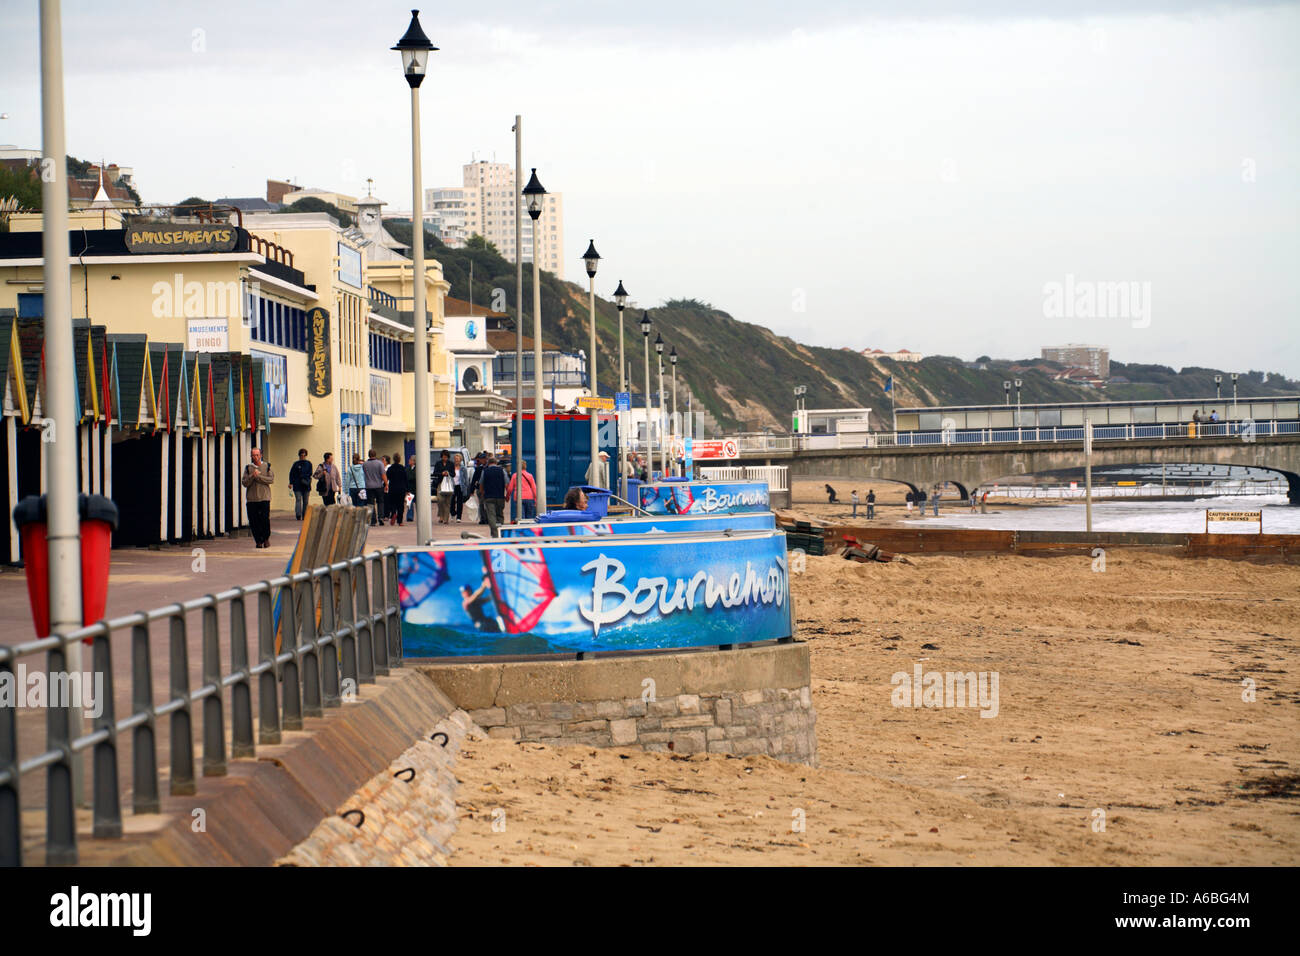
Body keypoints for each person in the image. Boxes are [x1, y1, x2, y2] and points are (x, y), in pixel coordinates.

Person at [241, 447, 274, 548]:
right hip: (252, 499)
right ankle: (258, 540)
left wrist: (258, 477)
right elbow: (245, 482)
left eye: (257, 455)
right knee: (254, 521)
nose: (255, 457)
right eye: (253, 455)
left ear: (261, 455)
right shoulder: (248, 468)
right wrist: (252, 476)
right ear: (251, 456)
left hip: (264, 498)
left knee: (264, 519)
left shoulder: (267, 466)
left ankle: (266, 538)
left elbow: (270, 480)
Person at [478, 455, 508, 536]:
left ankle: (494, 534)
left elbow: (481, 483)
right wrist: (507, 495)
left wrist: (482, 493)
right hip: (500, 497)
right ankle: (500, 531)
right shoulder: (502, 471)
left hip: (489, 497)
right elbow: (506, 484)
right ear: (496, 463)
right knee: (500, 515)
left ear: (488, 463)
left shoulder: (485, 471)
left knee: (491, 516)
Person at [363, 449, 387, 526]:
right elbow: (383, 475)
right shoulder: (380, 463)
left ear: (368, 455)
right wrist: (386, 484)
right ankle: (381, 517)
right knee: (380, 502)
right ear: (375, 455)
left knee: (370, 503)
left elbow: (364, 474)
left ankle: (373, 520)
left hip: (369, 486)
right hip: (378, 486)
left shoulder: (365, 464)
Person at [288, 448, 313, 520]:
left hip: (306, 484)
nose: (303, 457)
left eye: (304, 455)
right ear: (299, 456)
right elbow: (291, 474)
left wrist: (304, 477)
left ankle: (304, 515)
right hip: (297, 484)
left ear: (306, 455)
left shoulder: (309, 464)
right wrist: (290, 483)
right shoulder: (296, 464)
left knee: (306, 501)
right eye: (301, 455)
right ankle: (298, 515)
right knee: (298, 499)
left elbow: (310, 473)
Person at [386, 451, 409, 526]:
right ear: (399, 460)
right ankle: (400, 521)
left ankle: (393, 513)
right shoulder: (402, 468)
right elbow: (406, 479)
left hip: (392, 488)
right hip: (401, 489)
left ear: (393, 459)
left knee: (392, 503)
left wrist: (385, 485)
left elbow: (387, 478)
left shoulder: (390, 468)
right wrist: (407, 490)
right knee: (400, 505)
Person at [433, 450, 456, 524]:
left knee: (447, 502)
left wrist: (448, 473)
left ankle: (446, 519)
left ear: (448, 457)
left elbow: (453, 474)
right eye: (443, 456)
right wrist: (441, 473)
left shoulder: (451, 464)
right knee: (440, 500)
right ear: (441, 456)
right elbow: (434, 473)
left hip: (448, 484)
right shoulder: (438, 463)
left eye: (446, 457)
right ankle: (441, 516)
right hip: (440, 484)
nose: (445, 458)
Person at [450, 452, 467, 520]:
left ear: (460, 460)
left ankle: (459, 517)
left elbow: (466, 479)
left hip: (460, 486)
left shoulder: (463, 468)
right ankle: (453, 513)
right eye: (455, 459)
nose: (456, 460)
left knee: (460, 502)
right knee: (452, 501)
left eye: (458, 459)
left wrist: (466, 488)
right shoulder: (451, 467)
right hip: (452, 486)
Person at [405, 455, 417, 522]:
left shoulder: (417, 468)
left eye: (410, 460)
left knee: (418, 504)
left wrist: (409, 477)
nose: (409, 461)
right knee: (409, 503)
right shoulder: (407, 468)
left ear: (414, 461)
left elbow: (412, 477)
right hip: (409, 489)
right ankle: (409, 517)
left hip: (416, 489)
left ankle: (421, 516)